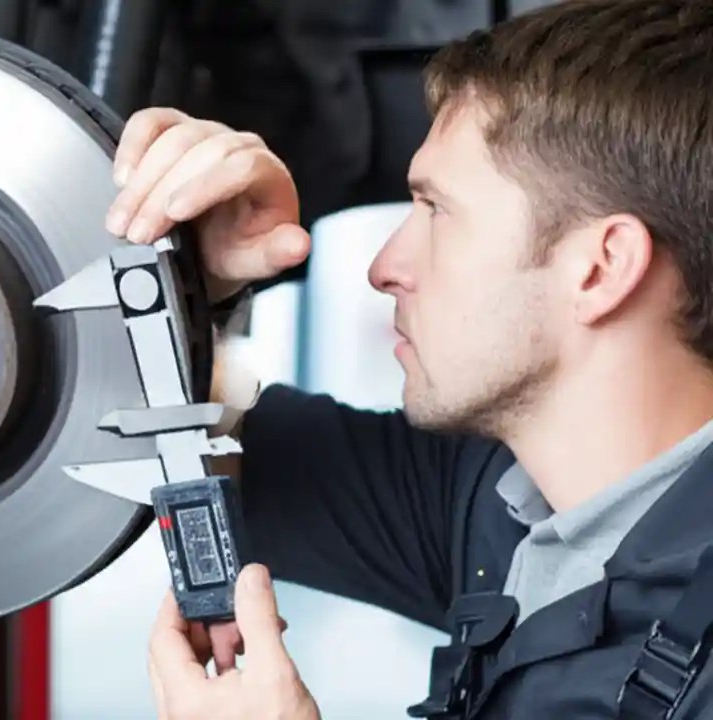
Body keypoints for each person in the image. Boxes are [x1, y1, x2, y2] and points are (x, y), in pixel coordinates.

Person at [105, 1, 713, 718]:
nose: (384, 268)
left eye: (437, 212)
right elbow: (175, 436)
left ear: (601, 267)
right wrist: (187, 285)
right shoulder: (505, 496)